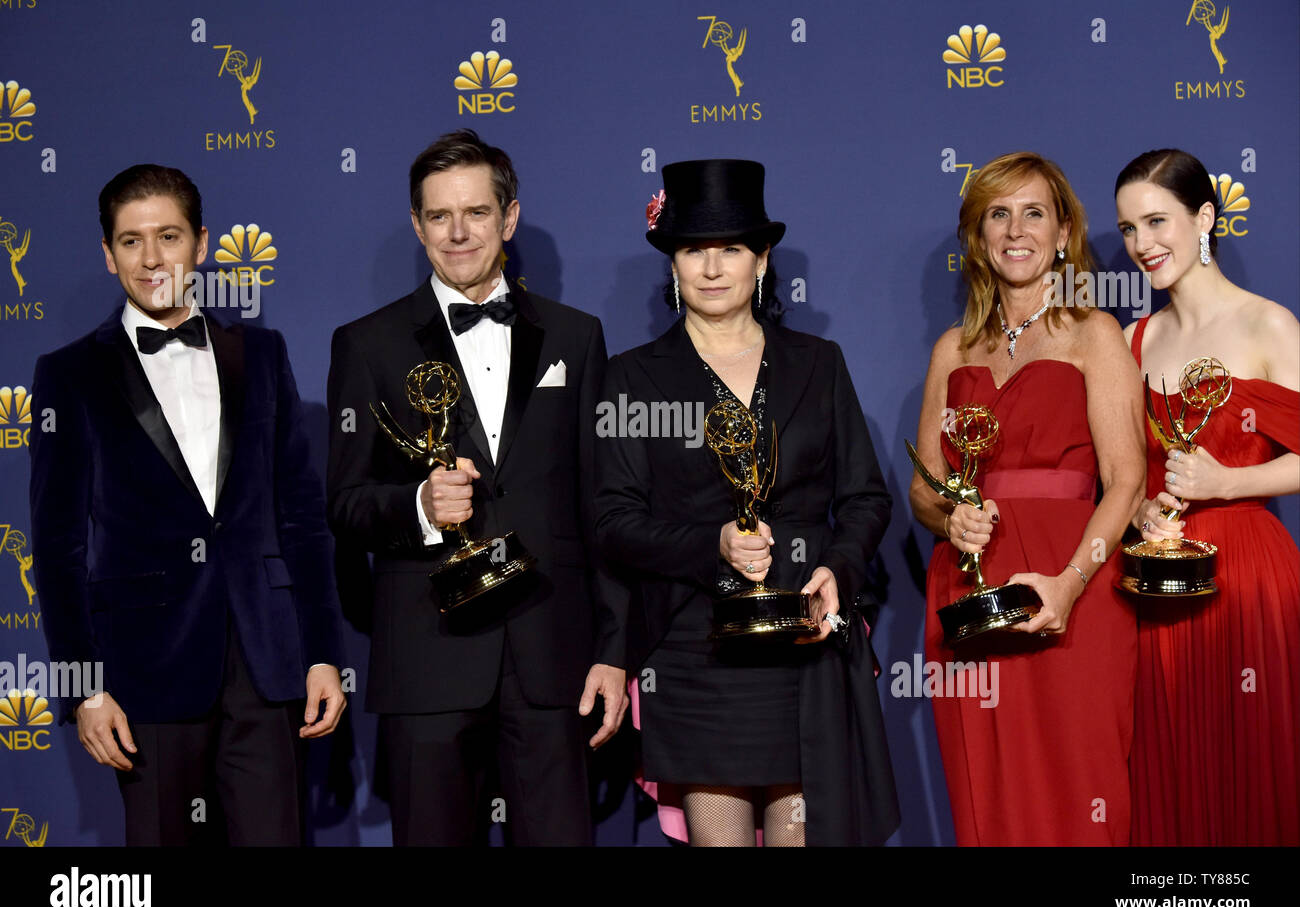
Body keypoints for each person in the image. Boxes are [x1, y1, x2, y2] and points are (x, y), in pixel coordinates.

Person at [29, 164, 346, 846]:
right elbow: (58, 549)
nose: (152, 258)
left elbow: (301, 519)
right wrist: (84, 687)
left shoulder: (262, 354)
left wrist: (321, 652)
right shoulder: (71, 374)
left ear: (201, 244)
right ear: (108, 253)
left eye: (168, 236)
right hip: (145, 672)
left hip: (265, 664)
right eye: (132, 240)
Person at [326, 129, 626, 846]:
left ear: (509, 218)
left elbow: (602, 505)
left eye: (477, 213)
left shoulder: (576, 337)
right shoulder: (366, 344)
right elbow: (342, 504)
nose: (458, 232)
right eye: (438, 216)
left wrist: (613, 649)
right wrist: (419, 507)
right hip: (428, 658)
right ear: (416, 225)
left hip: (552, 658)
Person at [594, 159, 898, 846]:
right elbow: (614, 520)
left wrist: (838, 571)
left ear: (762, 259)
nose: (711, 267)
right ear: (671, 262)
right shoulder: (632, 378)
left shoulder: (820, 363)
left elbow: (864, 497)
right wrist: (715, 544)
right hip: (697, 653)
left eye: (730, 247)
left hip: (805, 640)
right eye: (694, 248)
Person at [909, 152, 1145, 845]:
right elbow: (924, 486)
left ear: (1064, 229)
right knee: (987, 794)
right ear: (978, 235)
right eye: (998, 214)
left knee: (1081, 791)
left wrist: (1070, 585)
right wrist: (950, 516)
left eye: (1034, 211)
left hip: (1075, 585)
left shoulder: (1094, 334)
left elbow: (1127, 481)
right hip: (968, 591)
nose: (1016, 229)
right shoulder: (952, 349)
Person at [1115, 148, 1300, 846]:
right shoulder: (1137, 338)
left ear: (1205, 217)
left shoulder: (1268, 325)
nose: (1142, 245)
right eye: (1130, 229)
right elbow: (1126, 471)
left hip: (1250, 581)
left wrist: (1229, 482)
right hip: (1160, 585)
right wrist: (1138, 510)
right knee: (1171, 772)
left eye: (1158, 221)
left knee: (1254, 765)